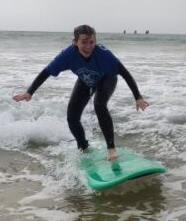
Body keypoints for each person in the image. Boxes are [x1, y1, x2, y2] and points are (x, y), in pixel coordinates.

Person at [13, 25, 149, 160]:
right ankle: (83, 147)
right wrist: (29, 92)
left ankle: (111, 149)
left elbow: (125, 73)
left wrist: (138, 97)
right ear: (75, 42)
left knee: (99, 105)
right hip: (86, 79)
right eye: (84, 42)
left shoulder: (103, 54)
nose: (88, 46)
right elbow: (47, 71)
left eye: (92, 42)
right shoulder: (67, 55)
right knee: (72, 117)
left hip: (107, 78)